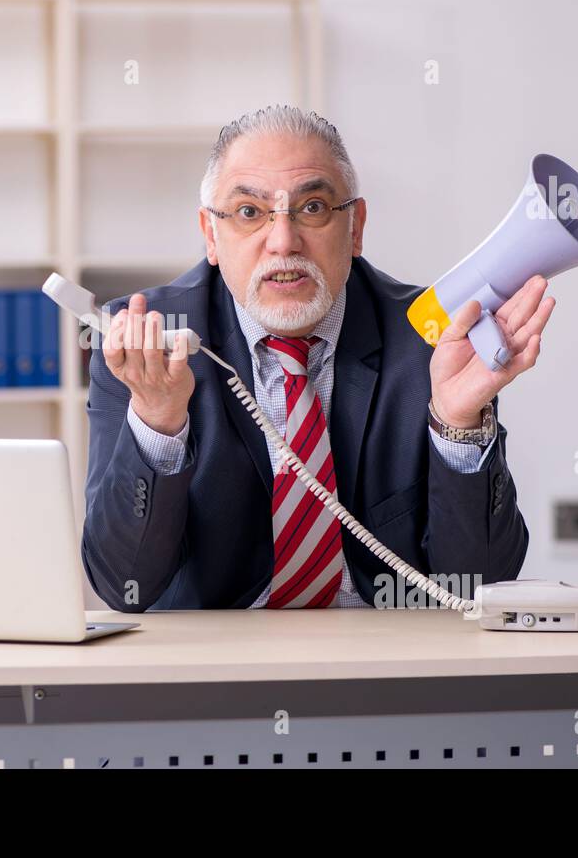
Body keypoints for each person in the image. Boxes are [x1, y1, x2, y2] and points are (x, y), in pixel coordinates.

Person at [81, 105, 551, 612]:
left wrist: (458, 425)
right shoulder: (147, 343)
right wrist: (157, 423)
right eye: (248, 212)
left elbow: (479, 585)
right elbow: (124, 586)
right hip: (215, 665)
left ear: (355, 228)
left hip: (385, 660)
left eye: (312, 208)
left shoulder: (430, 337)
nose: (282, 242)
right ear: (210, 234)